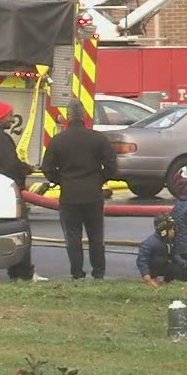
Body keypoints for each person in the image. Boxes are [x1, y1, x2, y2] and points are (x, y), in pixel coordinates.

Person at [40, 100, 115, 280]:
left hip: (69, 196)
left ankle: (77, 273)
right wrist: (99, 180)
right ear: (84, 116)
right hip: (93, 194)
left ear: (68, 117)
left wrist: (62, 181)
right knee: (96, 236)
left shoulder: (58, 141)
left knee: (73, 237)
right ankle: (99, 272)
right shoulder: (98, 139)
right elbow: (112, 167)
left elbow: (47, 168)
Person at [0, 101, 44, 282]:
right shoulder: (1, 138)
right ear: (1, 116)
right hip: (3, 190)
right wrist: (26, 169)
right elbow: (10, 164)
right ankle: (23, 273)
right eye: (10, 116)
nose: (12, 120)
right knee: (21, 230)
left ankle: (17, 272)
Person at [136, 213, 183, 286]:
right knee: (154, 263)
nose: (174, 231)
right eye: (171, 229)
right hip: (153, 267)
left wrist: (181, 262)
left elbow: (173, 253)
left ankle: (166, 282)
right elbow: (142, 261)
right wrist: (146, 277)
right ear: (163, 231)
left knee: (175, 268)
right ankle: (152, 279)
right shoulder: (150, 243)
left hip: (163, 264)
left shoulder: (170, 241)